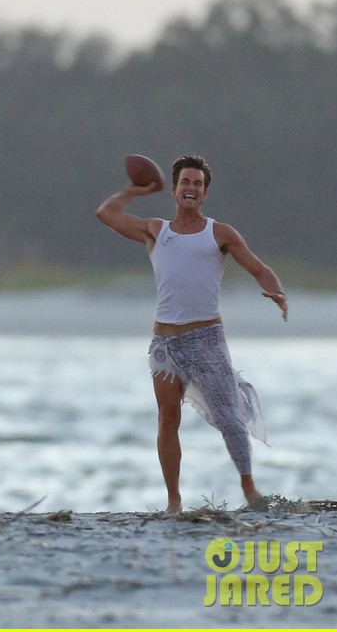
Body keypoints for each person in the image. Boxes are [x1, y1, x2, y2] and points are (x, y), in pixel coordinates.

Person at [96, 154, 288, 514]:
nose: (191, 188)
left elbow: (257, 267)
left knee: (229, 417)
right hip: (164, 346)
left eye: (198, 184)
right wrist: (134, 190)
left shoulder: (220, 233)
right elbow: (106, 214)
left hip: (206, 340)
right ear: (174, 190)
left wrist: (275, 289)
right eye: (185, 182)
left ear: (204, 193)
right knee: (168, 419)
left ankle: (249, 488)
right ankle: (173, 502)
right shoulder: (156, 230)